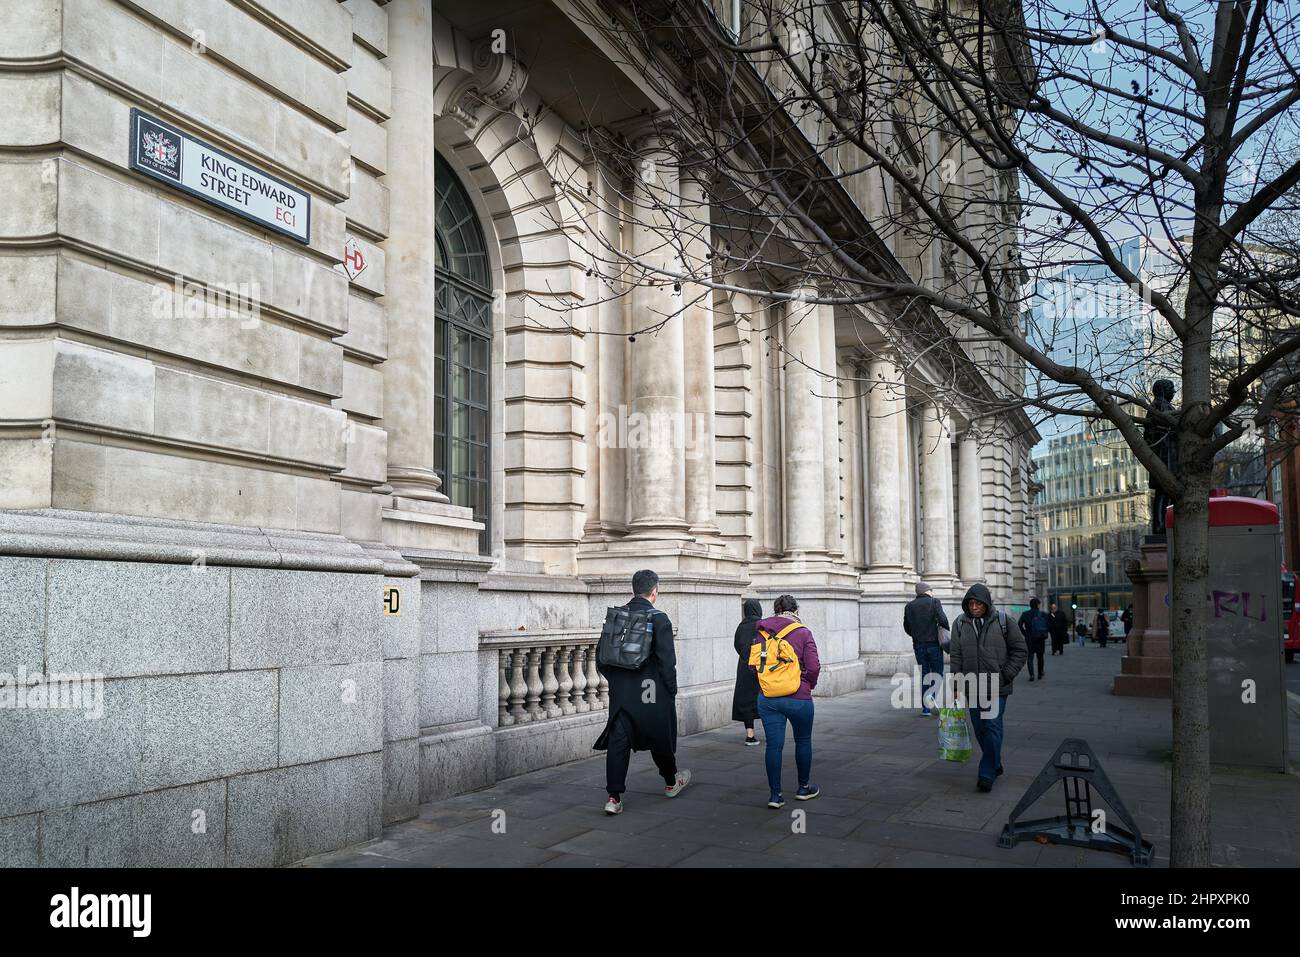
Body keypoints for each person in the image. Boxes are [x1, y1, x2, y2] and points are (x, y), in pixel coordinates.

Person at [593, 570, 691, 814]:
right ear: (654, 592)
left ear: (633, 589)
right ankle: (671, 781)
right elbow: (667, 662)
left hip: (622, 693)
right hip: (652, 691)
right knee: (661, 736)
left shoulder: (617, 616)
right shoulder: (660, 619)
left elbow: (601, 658)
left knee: (619, 740)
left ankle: (613, 798)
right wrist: (670, 689)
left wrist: (618, 681)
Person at [949, 582, 1026, 792]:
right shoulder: (959, 624)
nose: (974, 607)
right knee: (980, 729)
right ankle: (995, 763)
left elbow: (1020, 650)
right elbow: (955, 656)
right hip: (972, 687)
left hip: (997, 687)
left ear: (986, 603)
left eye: (978, 603)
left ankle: (986, 773)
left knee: (992, 726)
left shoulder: (1004, 621)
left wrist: (1005, 676)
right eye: (971, 603)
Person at [751, 594, 821, 809]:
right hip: (798, 697)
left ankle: (775, 796)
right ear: (796, 611)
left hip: (769, 698)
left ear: (775, 610)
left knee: (774, 745)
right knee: (803, 741)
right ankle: (803, 788)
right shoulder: (802, 632)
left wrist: (769, 683)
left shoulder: (761, 632)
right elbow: (814, 666)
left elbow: (753, 665)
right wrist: (806, 684)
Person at [903, 580, 949, 716]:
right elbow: (943, 620)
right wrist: (943, 631)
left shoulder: (909, 606)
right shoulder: (934, 602)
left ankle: (926, 708)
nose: (932, 592)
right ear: (927, 591)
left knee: (924, 674)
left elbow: (906, 627)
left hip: (918, 645)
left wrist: (917, 635)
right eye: (931, 590)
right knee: (937, 673)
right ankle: (931, 699)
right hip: (934, 644)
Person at [731, 598, 764, 745]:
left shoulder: (741, 626)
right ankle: (771, 731)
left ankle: (750, 735)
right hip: (761, 667)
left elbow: (737, 645)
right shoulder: (762, 625)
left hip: (744, 666)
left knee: (746, 701)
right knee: (765, 698)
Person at [1017, 597, 1050, 681]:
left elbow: (1019, 625)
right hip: (1040, 638)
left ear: (1030, 605)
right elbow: (1048, 625)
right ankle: (1040, 673)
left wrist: (1025, 633)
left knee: (1030, 657)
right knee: (1040, 657)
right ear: (1038, 605)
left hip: (1029, 638)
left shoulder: (1025, 614)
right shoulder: (1043, 614)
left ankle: (1031, 675)